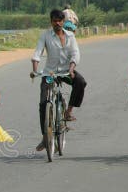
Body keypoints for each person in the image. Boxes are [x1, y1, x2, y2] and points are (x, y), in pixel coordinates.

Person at [31, 8, 87, 151]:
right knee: (44, 102)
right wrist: (35, 70)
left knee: (81, 82)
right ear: (51, 22)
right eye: (54, 21)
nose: (57, 23)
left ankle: (68, 111)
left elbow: (75, 54)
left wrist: (72, 68)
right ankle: (45, 137)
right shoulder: (45, 36)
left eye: (60, 21)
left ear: (63, 22)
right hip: (49, 73)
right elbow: (37, 53)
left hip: (67, 71)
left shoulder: (70, 36)